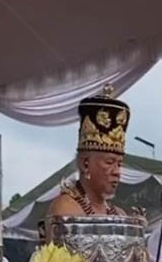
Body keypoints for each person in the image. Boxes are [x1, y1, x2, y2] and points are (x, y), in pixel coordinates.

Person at [47, 86, 129, 222]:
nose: (117, 172)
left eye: (119, 164)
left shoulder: (120, 214)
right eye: (109, 162)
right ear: (85, 164)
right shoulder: (65, 209)